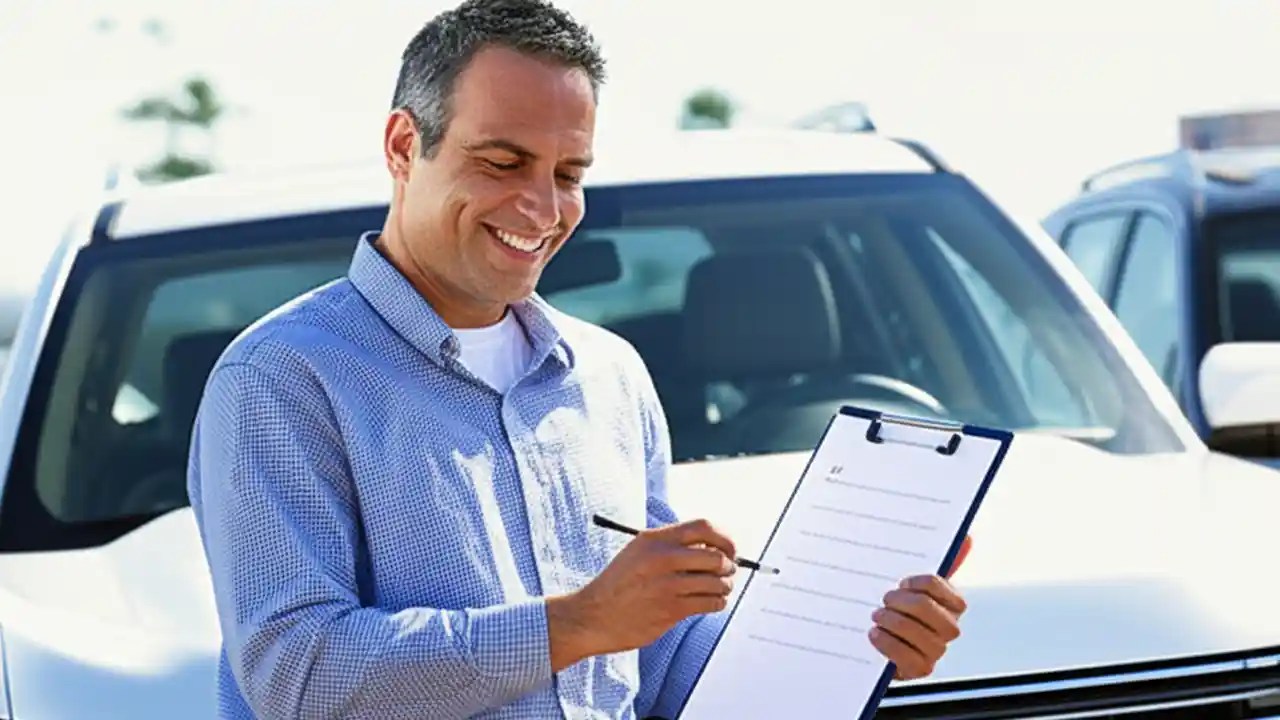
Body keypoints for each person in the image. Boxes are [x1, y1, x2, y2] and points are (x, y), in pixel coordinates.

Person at [186, 1, 972, 718]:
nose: (543, 206)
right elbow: (295, 677)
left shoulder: (609, 378)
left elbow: (665, 669)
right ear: (403, 146)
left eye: (568, 174)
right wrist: (581, 621)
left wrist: (852, 648)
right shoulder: (282, 380)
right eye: (502, 162)